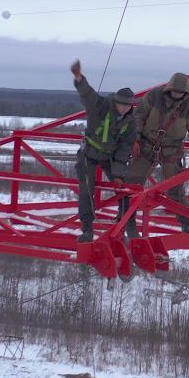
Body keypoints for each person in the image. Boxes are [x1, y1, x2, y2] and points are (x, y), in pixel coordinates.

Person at [121, 72, 189, 235]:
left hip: (171, 149)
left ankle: (186, 220)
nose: (177, 95)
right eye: (175, 92)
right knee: (132, 182)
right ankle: (126, 218)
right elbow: (138, 117)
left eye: (180, 93)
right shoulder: (154, 96)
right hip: (147, 143)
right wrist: (134, 140)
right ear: (169, 88)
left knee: (174, 187)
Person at [70, 59, 139, 243]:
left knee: (124, 190)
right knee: (87, 191)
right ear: (115, 101)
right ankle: (87, 230)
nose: (125, 108)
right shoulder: (100, 106)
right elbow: (88, 95)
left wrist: (118, 175)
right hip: (89, 154)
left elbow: (124, 149)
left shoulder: (130, 123)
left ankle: (122, 225)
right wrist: (79, 78)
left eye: (128, 105)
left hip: (110, 157)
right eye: (122, 104)